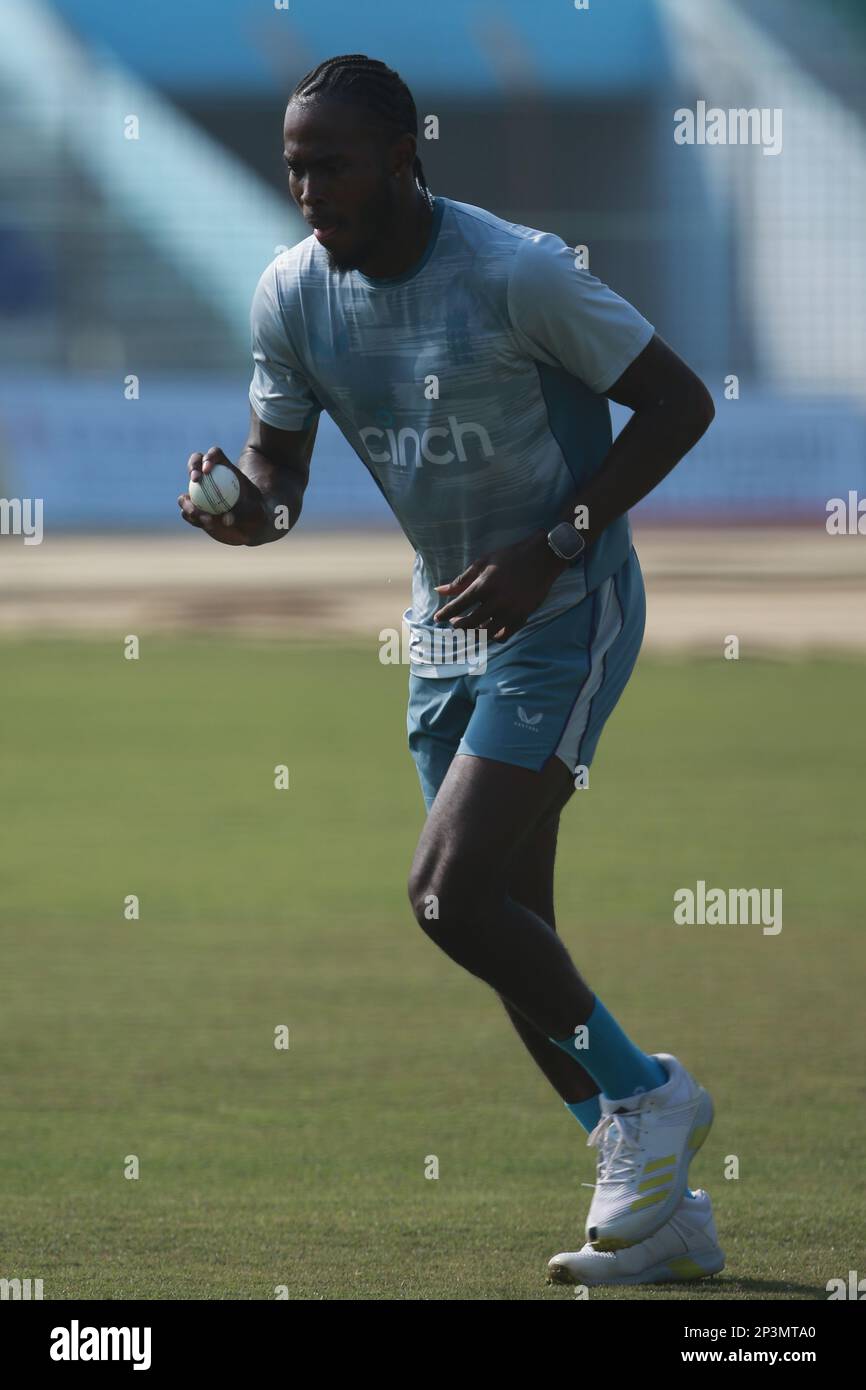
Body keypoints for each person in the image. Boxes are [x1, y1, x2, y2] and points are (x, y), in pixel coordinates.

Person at [178, 54, 721, 1287]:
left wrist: (557, 544)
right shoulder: (291, 296)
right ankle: (660, 1212)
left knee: (447, 894)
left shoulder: (517, 271)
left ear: (403, 158)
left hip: (567, 608)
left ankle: (648, 1097)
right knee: (500, 924)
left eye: (333, 163)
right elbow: (278, 488)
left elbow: (679, 403)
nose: (308, 188)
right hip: (442, 630)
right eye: (294, 166)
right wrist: (237, 514)